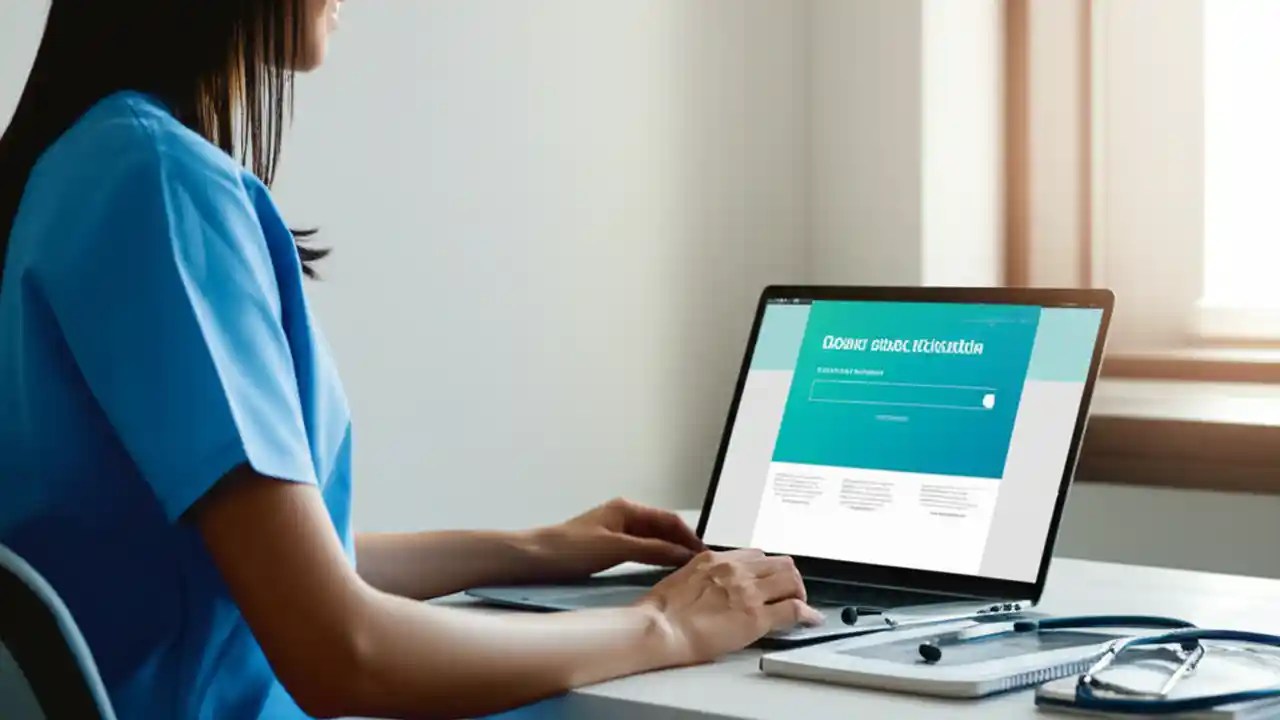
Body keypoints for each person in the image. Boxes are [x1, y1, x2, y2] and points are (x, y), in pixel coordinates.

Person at [0, 1, 822, 718]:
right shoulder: (159, 183)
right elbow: (340, 650)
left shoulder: (79, 168)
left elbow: (270, 575)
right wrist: (666, 625)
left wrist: (536, 550)